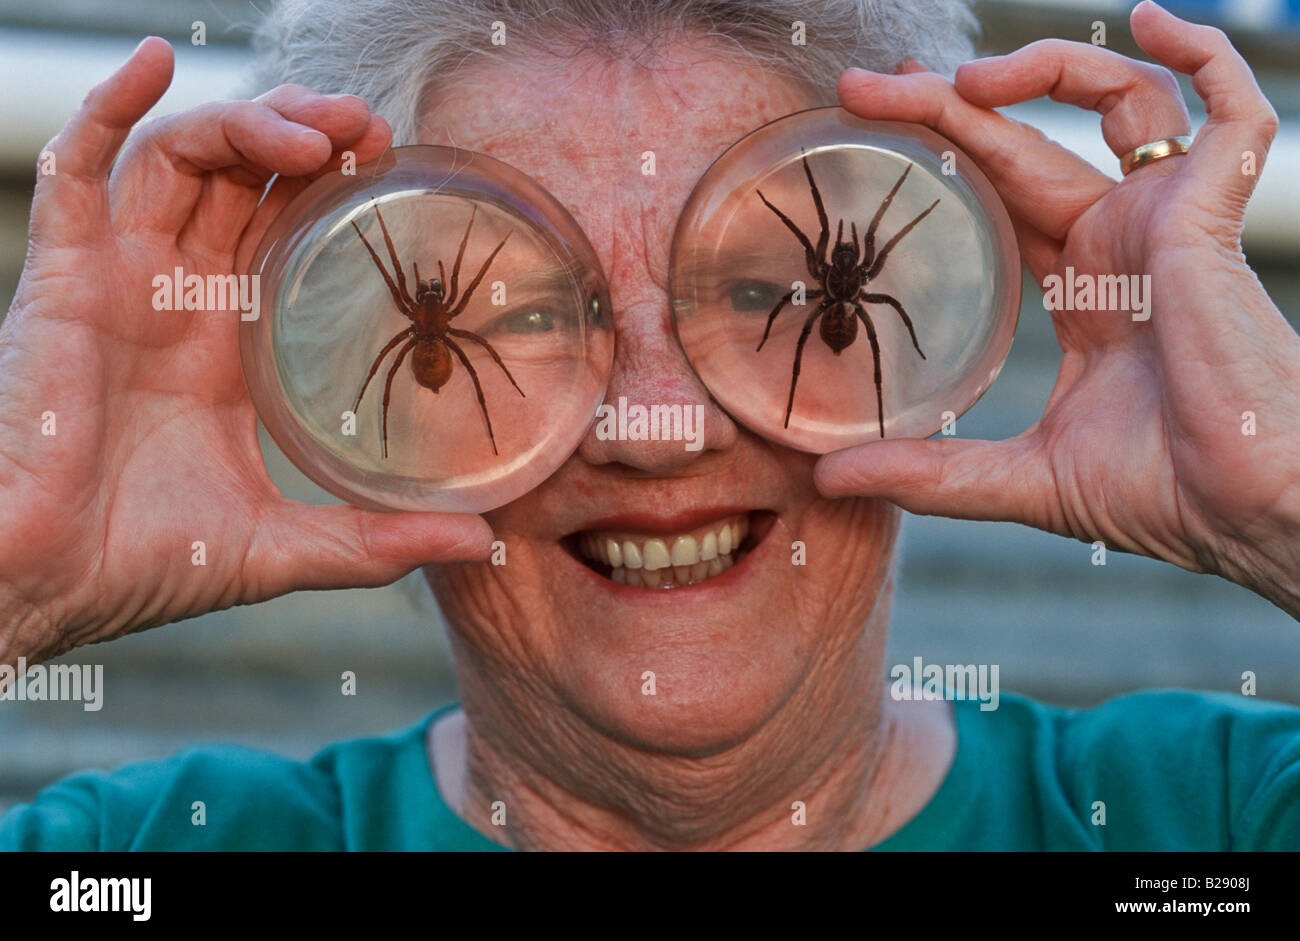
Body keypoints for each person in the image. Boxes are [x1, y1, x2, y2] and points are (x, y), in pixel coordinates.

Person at [1, 0, 1297, 851]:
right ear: (358, 388)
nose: (654, 422)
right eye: (515, 314)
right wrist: (16, 583)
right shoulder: (145, 858)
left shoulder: (1217, 829)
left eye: (763, 292)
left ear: (924, 319)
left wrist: (1282, 500)